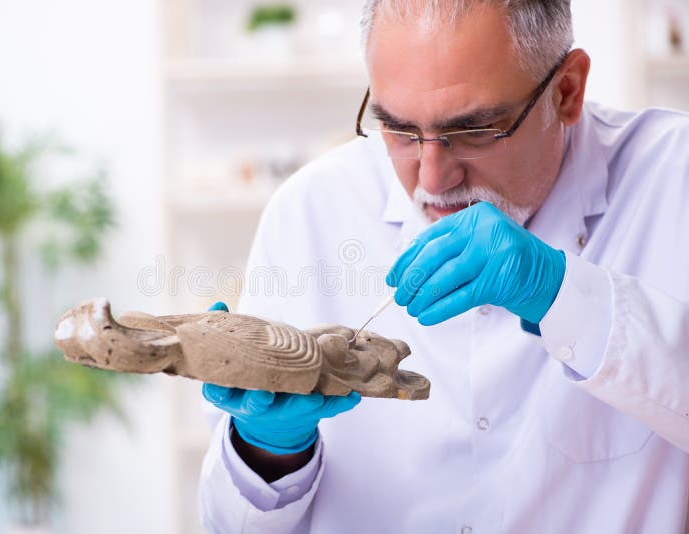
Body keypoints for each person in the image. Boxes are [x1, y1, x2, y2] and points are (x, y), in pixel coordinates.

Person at [198, 1, 689, 532]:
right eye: (400, 130)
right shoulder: (311, 210)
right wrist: (268, 453)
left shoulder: (672, 177)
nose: (431, 180)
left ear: (566, 90)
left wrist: (564, 296)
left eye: (476, 130)